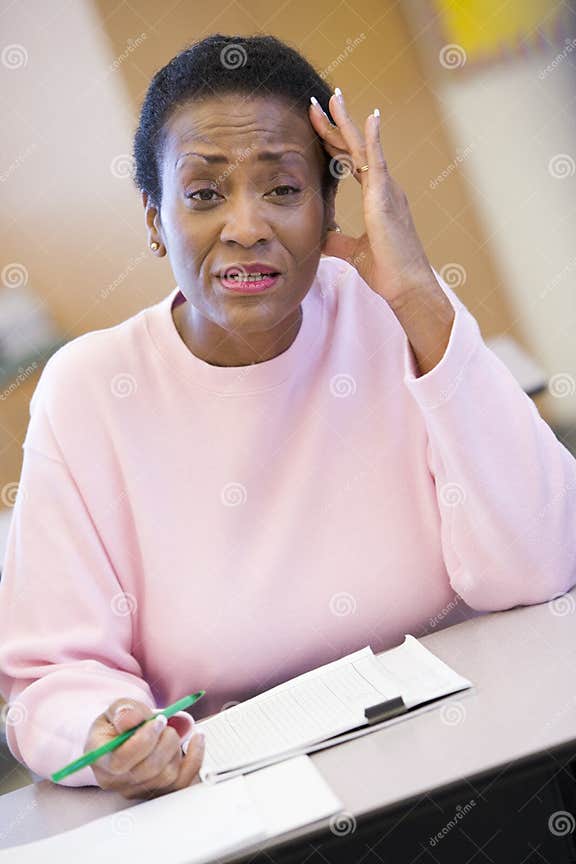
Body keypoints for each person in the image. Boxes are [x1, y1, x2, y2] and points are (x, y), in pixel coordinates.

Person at [1, 32, 575, 802]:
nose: (246, 226)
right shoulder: (90, 389)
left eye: (282, 188)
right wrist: (103, 728)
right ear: (153, 218)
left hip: (479, 751)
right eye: (204, 194)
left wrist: (417, 297)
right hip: (242, 802)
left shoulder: (393, 313)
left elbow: (544, 564)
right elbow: (49, 676)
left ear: (330, 206)